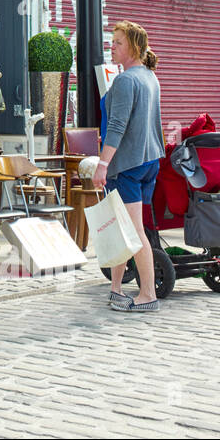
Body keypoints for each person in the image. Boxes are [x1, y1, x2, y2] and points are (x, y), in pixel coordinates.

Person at [91, 21, 164, 313]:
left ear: (133, 46)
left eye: (118, 42)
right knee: (124, 229)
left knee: (134, 232)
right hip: (149, 162)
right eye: (112, 41)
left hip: (128, 166)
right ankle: (116, 289)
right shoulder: (149, 77)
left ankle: (148, 294)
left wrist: (102, 164)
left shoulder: (125, 80)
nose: (112, 46)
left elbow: (118, 126)